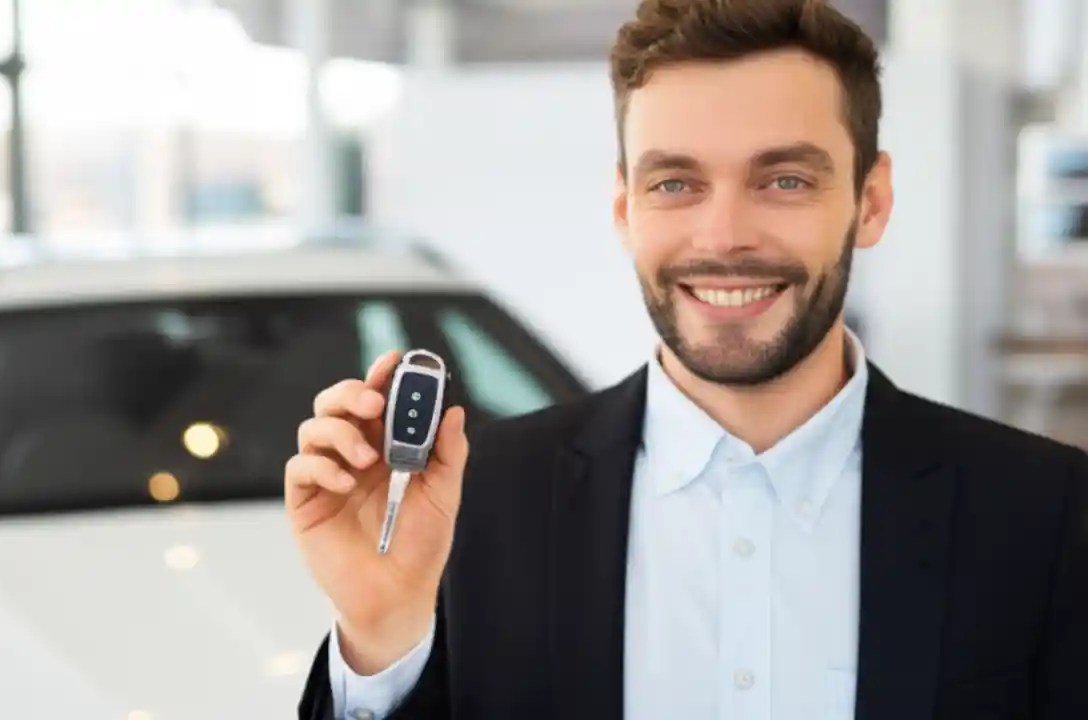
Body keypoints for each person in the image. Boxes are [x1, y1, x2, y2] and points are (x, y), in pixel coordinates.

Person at [284, 0, 1088, 717]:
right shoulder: (475, 502)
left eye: (784, 179)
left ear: (870, 201)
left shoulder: (1046, 515)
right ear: (624, 206)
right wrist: (382, 639)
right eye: (675, 184)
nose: (723, 236)